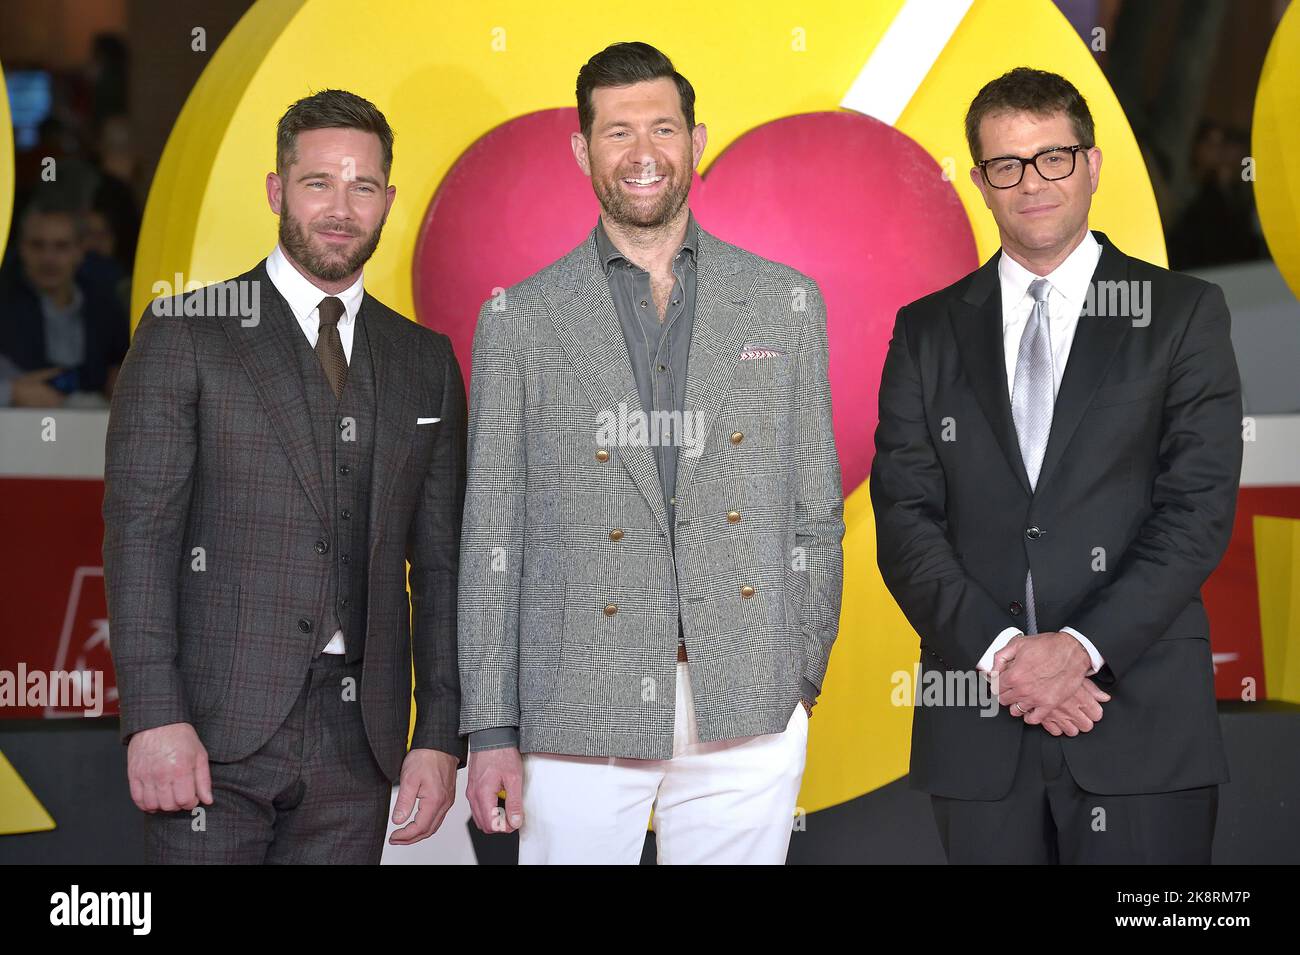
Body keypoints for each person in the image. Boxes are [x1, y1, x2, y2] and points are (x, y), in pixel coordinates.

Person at [459, 41, 845, 865]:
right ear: (581, 150)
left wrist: (797, 672)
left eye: (663, 129)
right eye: (618, 132)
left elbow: (816, 513)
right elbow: (492, 539)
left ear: (696, 142)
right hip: (576, 702)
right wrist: (490, 726)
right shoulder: (519, 321)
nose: (643, 155)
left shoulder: (785, 303)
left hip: (749, 698)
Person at [871, 67, 1242, 864]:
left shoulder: (1181, 315)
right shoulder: (926, 331)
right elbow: (904, 520)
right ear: (979, 180)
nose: (1031, 182)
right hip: (979, 731)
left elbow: (1197, 511)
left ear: (1093, 163)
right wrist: (1008, 658)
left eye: (1053, 157)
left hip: (1139, 720)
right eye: (1006, 164)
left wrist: (1078, 648)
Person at [103, 89, 466, 863]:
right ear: (276, 189)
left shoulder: (425, 362)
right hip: (208, 730)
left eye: (363, 186)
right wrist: (154, 717)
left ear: (387, 199)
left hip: (358, 744)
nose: (342, 207)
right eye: (318, 182)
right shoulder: (187, 334)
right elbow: (140, 539)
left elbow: (440, 568)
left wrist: (437, 735)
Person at [0, 194, 129, 407]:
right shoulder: (4, 304)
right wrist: (12, 391)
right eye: (37, 245)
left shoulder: (106, 308)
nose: (48, 258)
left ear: (79, 251)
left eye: (61, 246)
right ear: (21, 248)